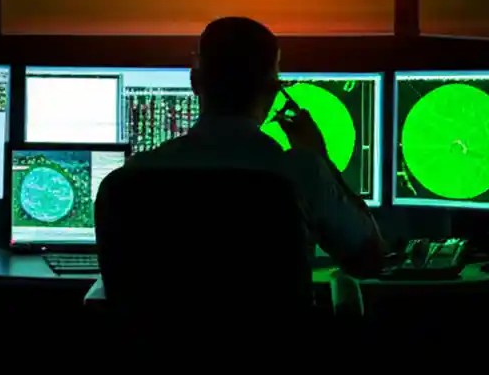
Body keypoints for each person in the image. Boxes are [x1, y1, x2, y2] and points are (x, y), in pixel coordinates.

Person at [127, 16, 387, 277]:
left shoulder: (135, 176)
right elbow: (370, 260)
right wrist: (321, 158)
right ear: (273, 91)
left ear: (195, 82)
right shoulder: (303, 173)